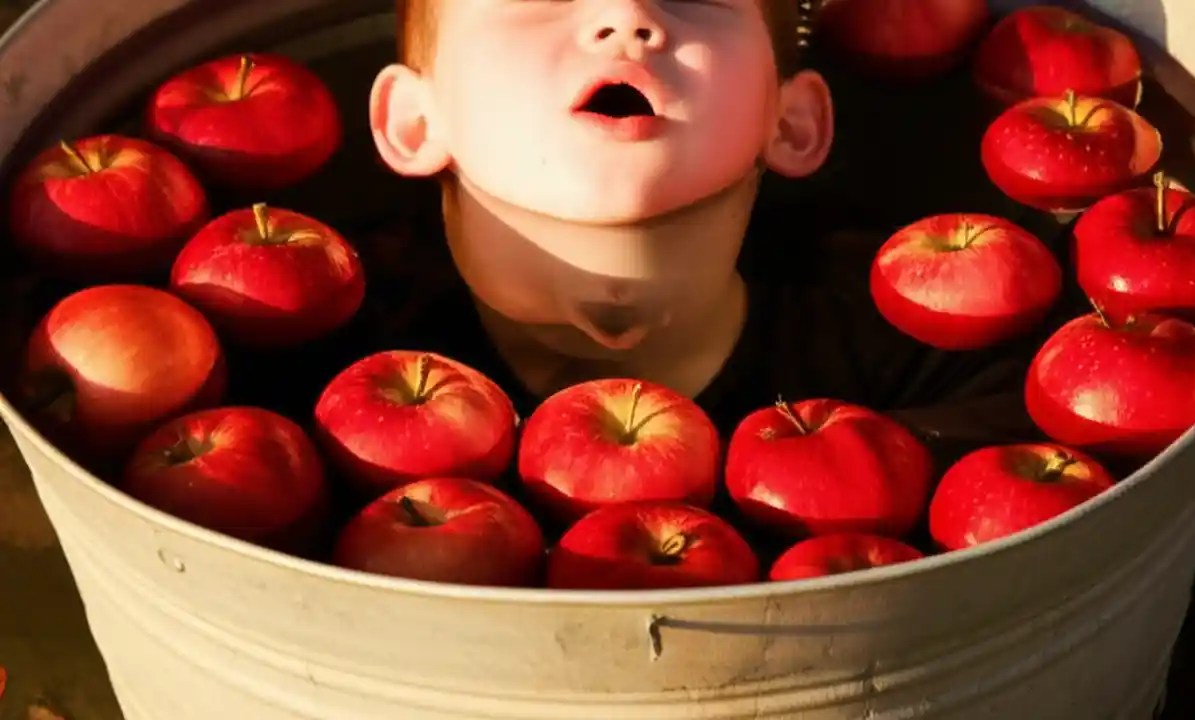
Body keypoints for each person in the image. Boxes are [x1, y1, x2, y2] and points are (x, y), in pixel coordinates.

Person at [361, 0, 1062, 452]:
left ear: (791, 123)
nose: (627, 16)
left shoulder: (902, 333)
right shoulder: (345, 336)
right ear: (414, 122)